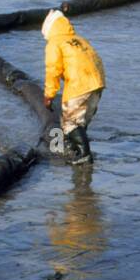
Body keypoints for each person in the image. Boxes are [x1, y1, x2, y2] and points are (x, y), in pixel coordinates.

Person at [42, 9, 105, 164]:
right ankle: (79, 151)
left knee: (70, 122)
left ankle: (84, 155)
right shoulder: (80, 39)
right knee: (81, 122)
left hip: (79, 84)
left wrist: (49, 95)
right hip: (97, 83)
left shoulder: (55, 43)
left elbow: (53, 70)